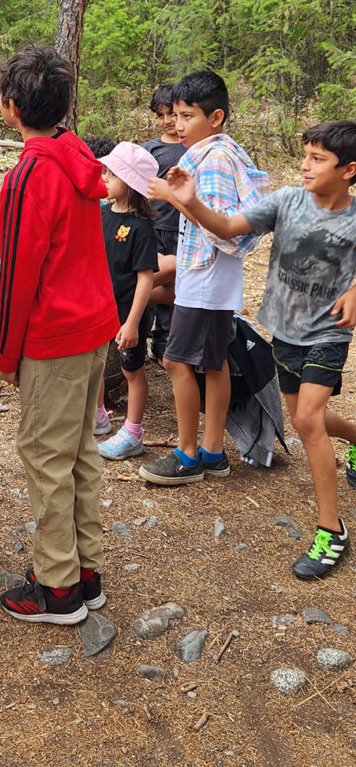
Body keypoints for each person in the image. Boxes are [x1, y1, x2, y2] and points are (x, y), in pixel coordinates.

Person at [154, 120, 356, 580]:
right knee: (313, 420)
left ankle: (331, 530)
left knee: (306, 419)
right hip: (285, 333)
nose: (304, 166)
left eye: (317, 159)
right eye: (304, 155)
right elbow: (226, 227)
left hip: (328, 335)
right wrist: (189, 203)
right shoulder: (286, 202)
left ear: (349, 170)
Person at [0, 45, 119, 624]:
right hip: (95, 327)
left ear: (11, 108)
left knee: (45, 455)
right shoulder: (77, 156)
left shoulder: (30, 174)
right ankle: (84, 568)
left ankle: (58, 587)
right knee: (79, 451)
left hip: (55, 335)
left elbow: (19, 271)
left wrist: (7, 351)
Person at [138, 69, 268, 487]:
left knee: (176, 361)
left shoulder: (212, 160)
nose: (178, 125)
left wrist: (174, 197)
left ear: (215, 118)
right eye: (175, 115)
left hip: (206, 278)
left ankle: (189, 454)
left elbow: (225, 230)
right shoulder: (219, 153)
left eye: (187, 116)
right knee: (213, 364)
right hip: (212, 279)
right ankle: (212, 453)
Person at [94, 144, 159, 461]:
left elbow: (145, 279)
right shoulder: (101, 212)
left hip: (126, 313)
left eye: (111, 173)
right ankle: (98, 416)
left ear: (130, 182)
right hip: (98, 308)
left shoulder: (141, 228)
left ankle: (133, 432)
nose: (104, 177)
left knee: (132, 370)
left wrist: (132, 322)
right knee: (94, 363)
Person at [143, 83, 182, 360]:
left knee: (176, 288)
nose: (167, 121)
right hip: (152, 227)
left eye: (172, 114)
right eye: (160, 115)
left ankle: (164, 344)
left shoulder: (194, 147)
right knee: (149, 279)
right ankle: (140, 337)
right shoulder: (149, 149)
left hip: (182, 230)